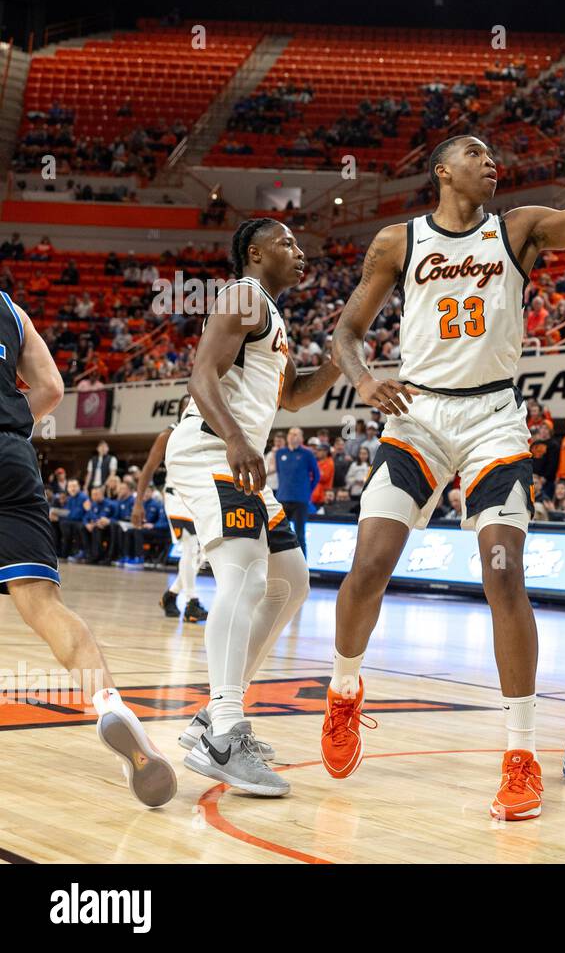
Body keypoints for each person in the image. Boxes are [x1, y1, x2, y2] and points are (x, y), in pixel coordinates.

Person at [320, 89, 565, 822]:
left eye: (495, 156)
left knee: (505, 576)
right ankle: (345, 689)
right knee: (370, 566)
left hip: (494, 420)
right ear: (443, 172)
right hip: (417, 415)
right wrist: (361, 377)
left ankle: (521, 756)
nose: (491, 163)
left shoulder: (523, 229)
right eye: (476, 154)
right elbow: (346, 333)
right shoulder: (397, 241)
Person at [166, 218, 338, 797]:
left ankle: (211, 719)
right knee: (244, 575)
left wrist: (339, 363)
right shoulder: (242, 295)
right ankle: (224, 733)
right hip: (215, 448)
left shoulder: (272, 313)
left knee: (290, 578)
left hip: (238, 456)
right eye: (289, 242)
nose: (300, 251)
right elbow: (200, 375)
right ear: (256, 252)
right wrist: (238, 438)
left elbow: (290, 394)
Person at [0, 288, 175, 807]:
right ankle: (109, 704)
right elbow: (52, 389)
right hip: (12, 455)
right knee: (45, 606)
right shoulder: (11, 308)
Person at [131, 396, 209, 623]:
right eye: (188, 403)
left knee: (201, 552)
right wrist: (138, 503)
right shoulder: (169, 434)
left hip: (197, 497)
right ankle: (192, 603)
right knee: (191, 546)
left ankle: (171, 595)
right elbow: (148, 469)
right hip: (176, 496)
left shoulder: (205, 431)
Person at [273, 427, 319, 553]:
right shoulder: (279, 453)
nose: (293, 436)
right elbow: (279, 473)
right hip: (282, 498)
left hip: (300, 500)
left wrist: (307, 491)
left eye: (296, 434)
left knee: (299, 535)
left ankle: (303, 568)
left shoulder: (307, 454)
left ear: (301, 438)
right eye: (291, 434)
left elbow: (316, 475)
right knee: (279, 535)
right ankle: (281, 566)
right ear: (287, 437)